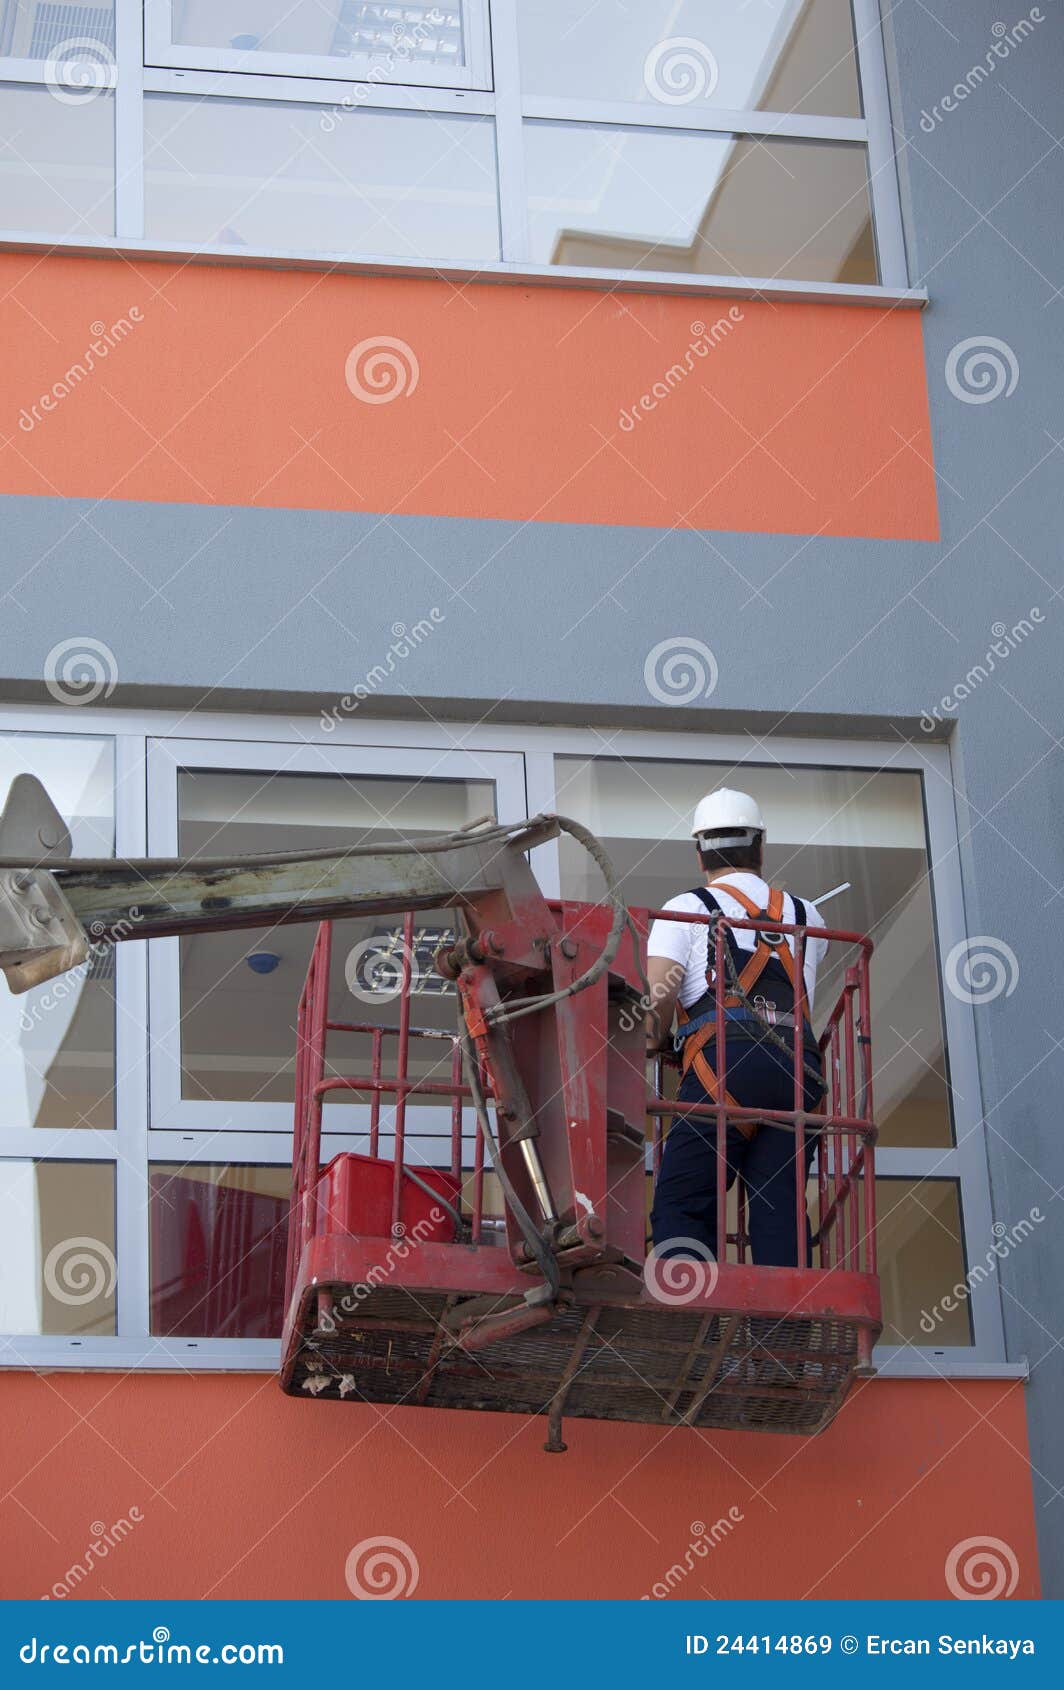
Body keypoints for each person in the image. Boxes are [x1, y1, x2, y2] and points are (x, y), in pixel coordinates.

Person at [645, 788, 828, 1268]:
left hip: (723, 1067)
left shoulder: (683, 908)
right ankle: (783, 1334)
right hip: (795, 1073)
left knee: (684, 1199)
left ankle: (689, 1316)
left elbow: (658, 1000)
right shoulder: (809, 916)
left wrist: (654, 1039)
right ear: (761, 846)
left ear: (699, 852)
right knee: (780, 1210)